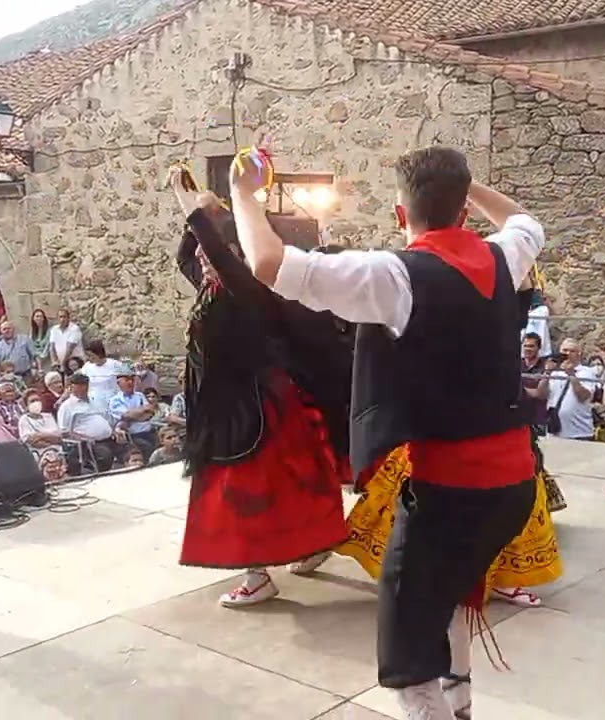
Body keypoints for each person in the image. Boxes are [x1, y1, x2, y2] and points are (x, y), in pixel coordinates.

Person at [228, 146, 544, 719]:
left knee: (405, 658)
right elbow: (525, 220)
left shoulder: (393, 276)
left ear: (402, 215)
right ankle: (463, 707)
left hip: (450, 494)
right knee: (448, 599)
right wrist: (467, 188)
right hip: (516, 488)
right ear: (464, 211)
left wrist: (243, 196)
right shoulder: (504, 259)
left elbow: (269, 264)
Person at [167, 165, 353, 609]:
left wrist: (188, 204)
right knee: (288, 485)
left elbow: (219, 254)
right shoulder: (210, 287)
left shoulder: (248, 286)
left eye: (219, 253)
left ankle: (258, 575)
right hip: (232, 406)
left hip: (256, 410)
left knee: (245, 492)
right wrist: (197, 216)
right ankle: (312, 544)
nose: (207, 259)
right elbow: (185, 258)